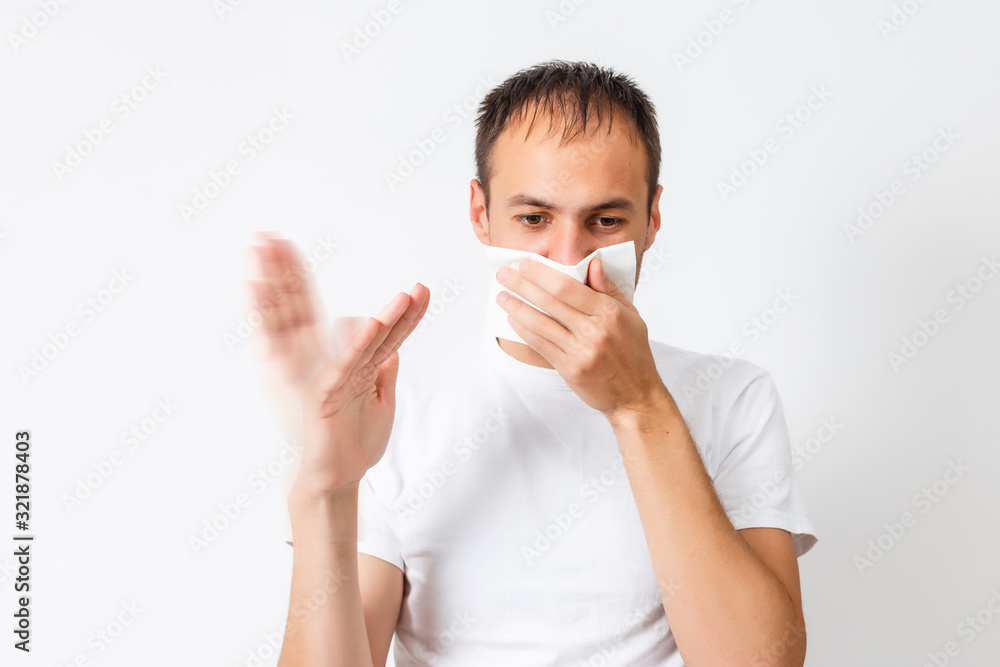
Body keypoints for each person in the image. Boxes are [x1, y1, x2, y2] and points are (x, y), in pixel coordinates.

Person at [248, 60, 818, 667]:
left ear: (651, 218)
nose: (567, 259)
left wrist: (638, 406)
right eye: (533, 219)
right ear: (480, 213)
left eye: (605, 221)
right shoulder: (392, 408)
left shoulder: (731, 398)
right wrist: (327, 491)